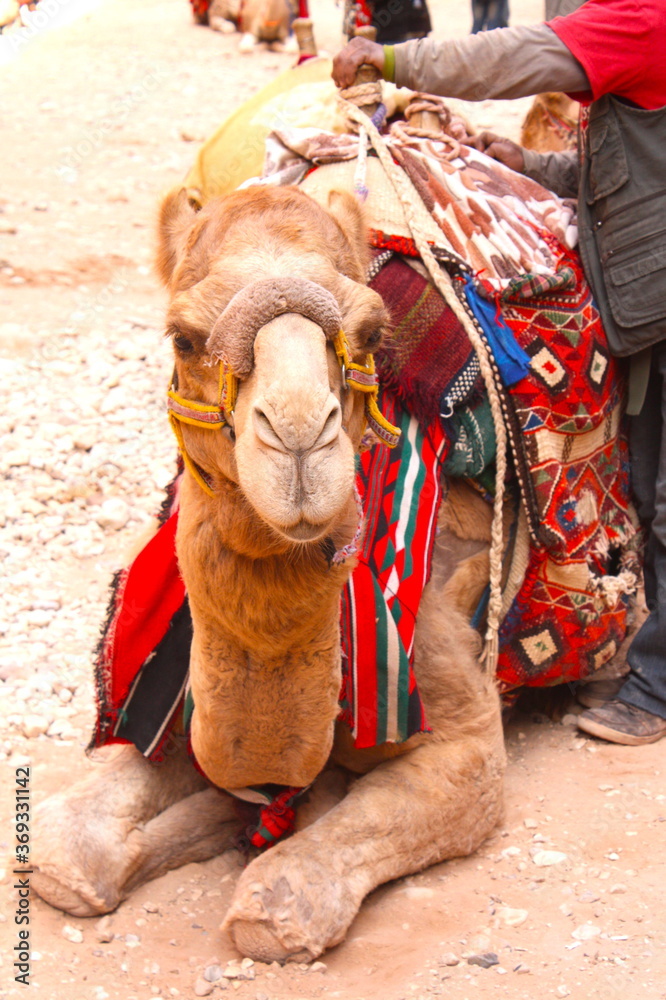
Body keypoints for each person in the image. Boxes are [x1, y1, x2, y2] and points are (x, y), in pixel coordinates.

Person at [332, 0, 666, 746]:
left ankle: (659, 687)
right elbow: (632, 168)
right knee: (647, 487)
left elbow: (513, 58)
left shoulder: (645, 20)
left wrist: (390, 61)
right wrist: (532, 169)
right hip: (648, 296)